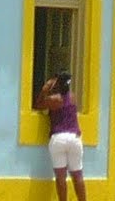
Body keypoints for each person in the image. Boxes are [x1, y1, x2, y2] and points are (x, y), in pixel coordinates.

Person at [36, 71, 87, 201]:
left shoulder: (54, 100)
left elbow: (39, 104)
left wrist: (45, 89)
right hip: (74, 138)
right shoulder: (72, 97)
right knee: (77, 176)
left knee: (61, 177)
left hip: (59, 138)